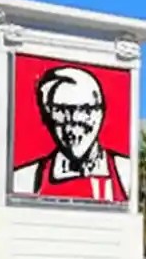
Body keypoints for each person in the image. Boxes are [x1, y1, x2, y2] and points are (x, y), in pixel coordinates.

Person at [12, 65, 131, 202]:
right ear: (47, 116)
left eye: (85, 110)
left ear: (101, 113)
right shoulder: (25, 180)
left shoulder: (126, 172)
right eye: (61, 110)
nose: (74, 119)